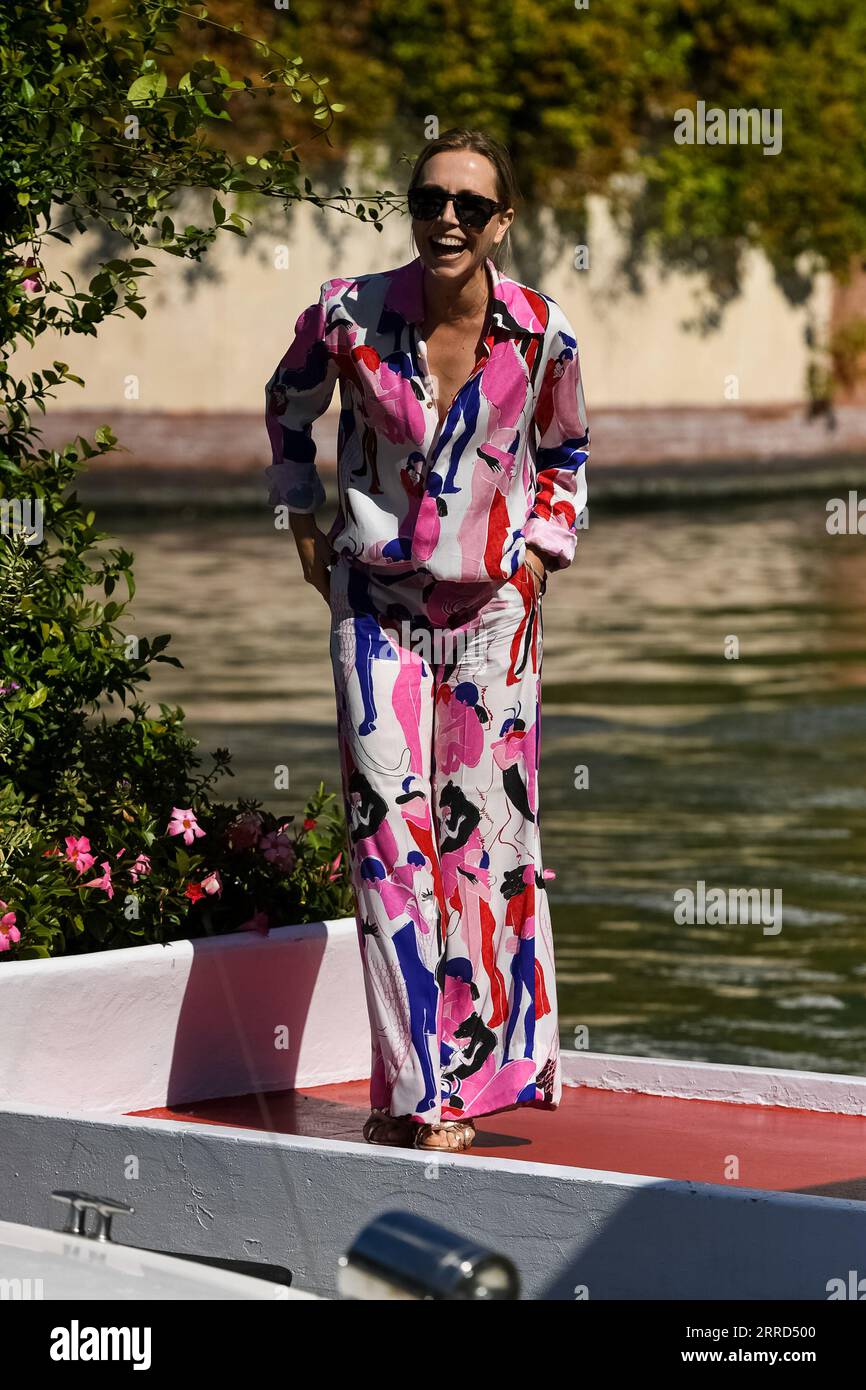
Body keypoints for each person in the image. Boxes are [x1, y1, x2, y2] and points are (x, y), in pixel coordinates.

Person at [264, 128, 589, 1153]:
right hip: (375, 607)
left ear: (500, 223)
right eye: (427, 198)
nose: (444, 216)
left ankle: (472, 1074)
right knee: (387, 840)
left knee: (487, 848)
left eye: (467, 204)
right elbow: (287, 406)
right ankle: (421, 1093)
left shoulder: (540, 333)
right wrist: (300, 514)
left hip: (493, 616)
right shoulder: (346, 314)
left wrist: (541, 552)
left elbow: (565, 451)